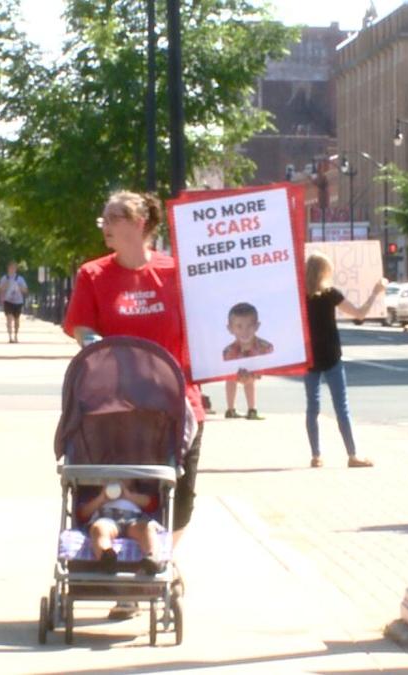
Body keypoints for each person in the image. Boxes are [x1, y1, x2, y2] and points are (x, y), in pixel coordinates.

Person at [62, 191, 206, 620]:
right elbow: (83, 329)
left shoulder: (176, 272)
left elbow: (207, 323)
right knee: (126, 488)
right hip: (114, 409)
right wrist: (93, 343)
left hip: (177, 404)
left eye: (114, 216)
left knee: (180, 493)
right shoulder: (93, 275)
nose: (104, 224)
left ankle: (161, 554)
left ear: (140, 222)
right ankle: (131, 578)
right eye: (103, 216)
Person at [303, 252, 385, 468]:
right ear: (324, 272)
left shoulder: (300, 297)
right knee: (342, 407)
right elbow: (359, 314)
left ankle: (316, 455)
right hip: (332, 356)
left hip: (309, 358)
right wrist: (375, 293)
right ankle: (352, 454)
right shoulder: (331, 295)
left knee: (313, 408)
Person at [78, 480, 163, 576]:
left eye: (124, 478)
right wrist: (101, 498)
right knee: (99, 529)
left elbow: (152, 504)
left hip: (133, 519)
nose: (118, 480)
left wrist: (129, 496)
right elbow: (83, 513)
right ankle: (106, 556)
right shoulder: (98, 496)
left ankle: (152, 557)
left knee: (146, 528)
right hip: (106, 518)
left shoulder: (136, 494)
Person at [222, 302, 273, 420]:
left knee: (250, 380)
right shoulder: (228, 351)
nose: (244, 331)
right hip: (234, 361)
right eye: (239, 326)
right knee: (230, 379)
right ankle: (231, 409)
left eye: (249, 326)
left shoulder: (265, 347)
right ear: (230, 328)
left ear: (257, 326)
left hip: (253, 361)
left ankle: (251, 409)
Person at [0, 261, 28, 343]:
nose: (12, 269)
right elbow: (0, 289)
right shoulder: (5, 278)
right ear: (8, 268)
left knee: (16, 320)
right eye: (11, 267)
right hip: (8, 301)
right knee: (9, 318)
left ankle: (16, 335)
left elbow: (25, 290)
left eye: (14, 268)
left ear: (16, 269)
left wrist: (20, 287)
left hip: (18, 302)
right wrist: (5, 285)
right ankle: (10, 337)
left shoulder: (20, 279)